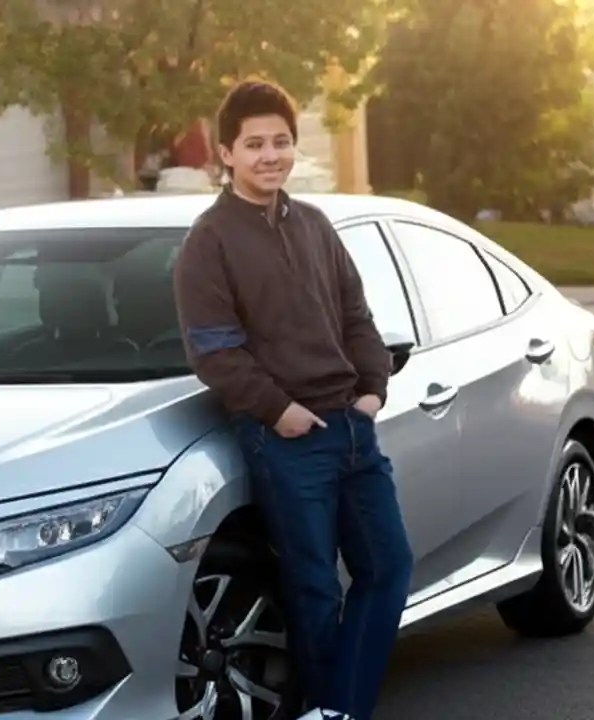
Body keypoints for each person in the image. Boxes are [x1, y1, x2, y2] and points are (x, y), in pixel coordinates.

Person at [172, 80, 414, 720]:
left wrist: (371, 391)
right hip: (287, 439)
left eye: (280, 142)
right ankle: (333, 710)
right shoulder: (209, 241)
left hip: (354, 429)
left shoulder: (314, 225)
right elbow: (214, 353)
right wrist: (281, 413)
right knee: (313, 588)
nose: (270, 155)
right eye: (254, 144)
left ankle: (337, 709)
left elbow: (357, 317)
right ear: (227, 153)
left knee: (389, 567)